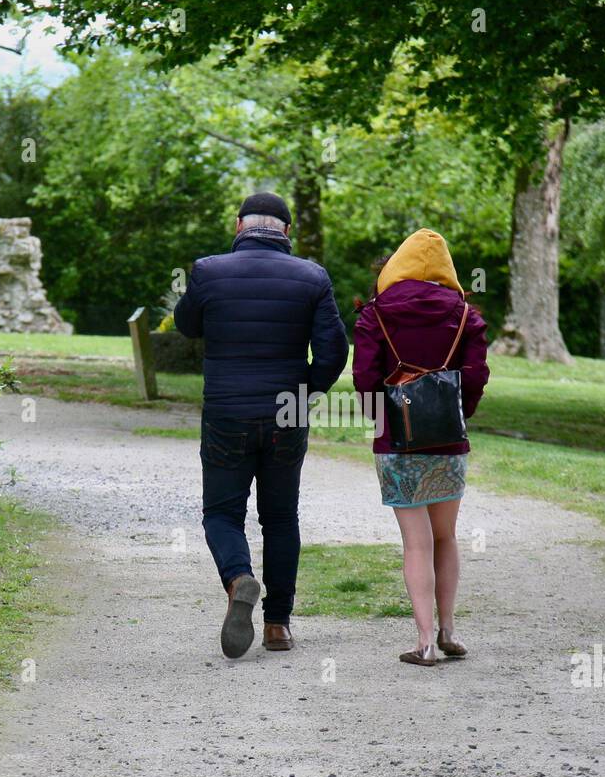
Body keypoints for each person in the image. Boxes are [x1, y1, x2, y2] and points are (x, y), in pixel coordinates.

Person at [175, 193, 349, 658]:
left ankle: (238, 579)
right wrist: (304, 394)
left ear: (239, 225)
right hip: (285, 416)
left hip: (226, 413)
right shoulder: (313, 277)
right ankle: (277, 625)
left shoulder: (208, 270)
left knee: (222, 513)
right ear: (286, 231)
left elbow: (186, 325)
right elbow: (334, 352)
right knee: (280, 517)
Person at [352, 229, 489, 666]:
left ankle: (426, 642)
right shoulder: (466, 314)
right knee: (446, 535)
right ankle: (449, 629)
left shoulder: (376, 314)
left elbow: (365, 378)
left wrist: (380, 421)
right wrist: (457, 413)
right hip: (449, 441)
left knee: (416, 543)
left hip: (397, 440)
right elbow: (476, 375)